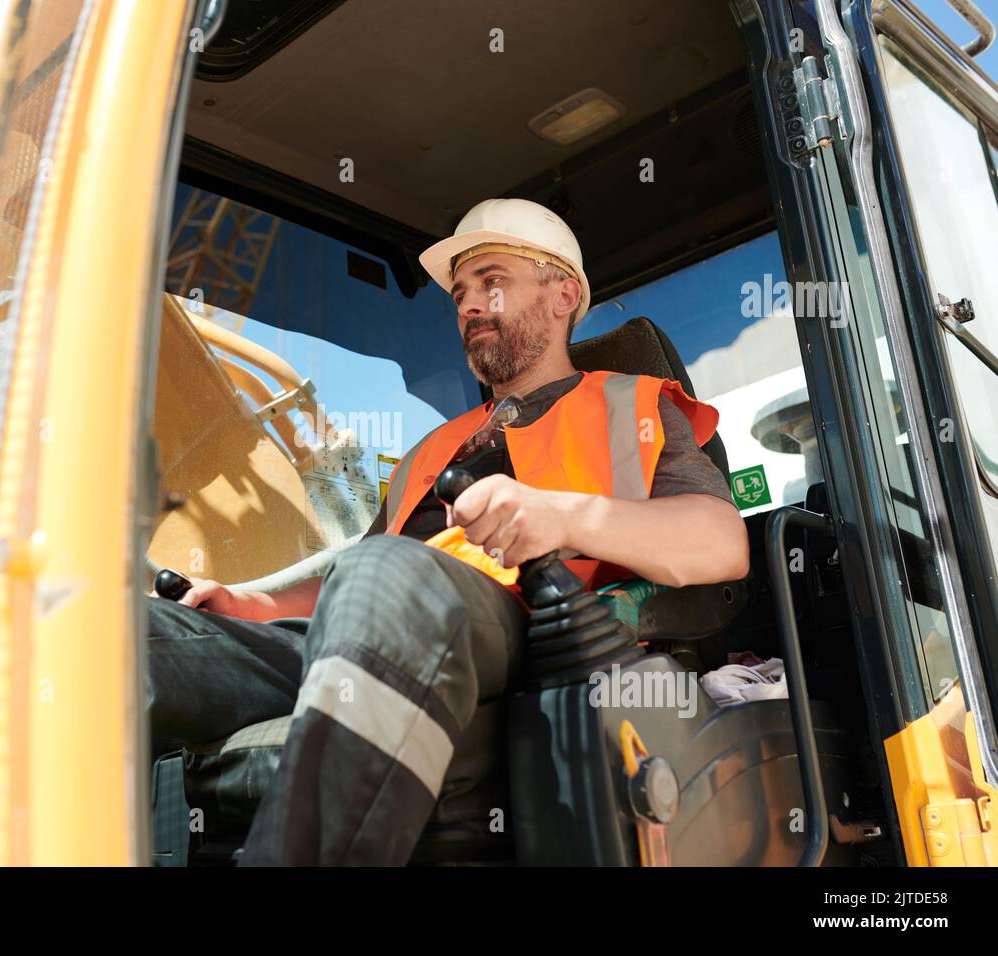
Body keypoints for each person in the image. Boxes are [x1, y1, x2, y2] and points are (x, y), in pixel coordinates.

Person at [147, 197, 750, 865]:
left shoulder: (627, 405)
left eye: (491, 280)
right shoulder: (433, 449)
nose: (467, 305)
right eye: (459, 293)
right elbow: (357, 578)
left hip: (532, 634)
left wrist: (561, 515)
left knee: (390, 577)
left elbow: (721, 542)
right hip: (378, 629)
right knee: (130, 632)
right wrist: (254, 606)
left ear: (563, 294)